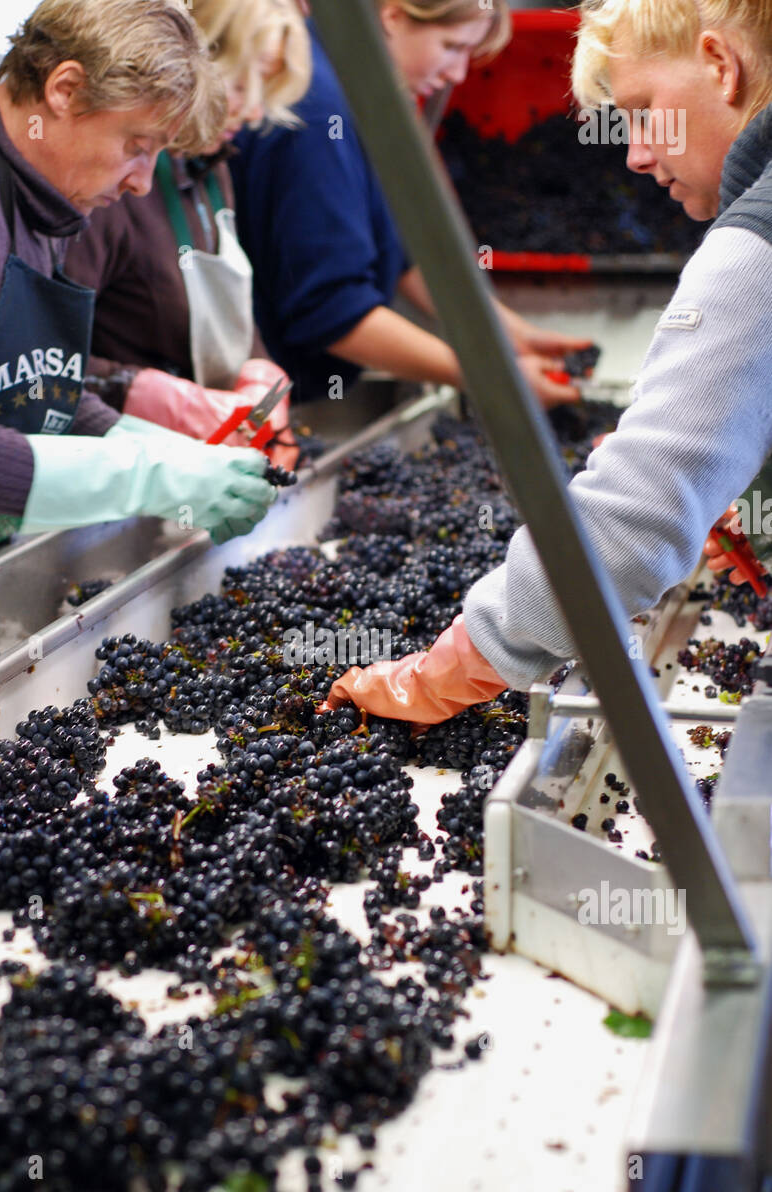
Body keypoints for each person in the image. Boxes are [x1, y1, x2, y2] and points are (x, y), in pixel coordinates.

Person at [324, 0, 772, 722]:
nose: (634, 154)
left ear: (720, 66)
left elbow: (632, 516)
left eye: (641, 111)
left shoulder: (758, 246)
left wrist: (450, 670)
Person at [0, 0, 275, 583]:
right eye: (137, 145)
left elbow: (38, 396)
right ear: (66, 89)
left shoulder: (42, 204)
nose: (142, 182)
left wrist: (179, 455)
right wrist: (146, 475)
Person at [230, 0, 594, 407]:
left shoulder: (354, 89)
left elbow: (398, 251)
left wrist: (508, 335)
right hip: (260, 398)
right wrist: (494, 377)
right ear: (393, 15)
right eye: (451, 47)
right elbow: (331, 311)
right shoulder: (320, 111)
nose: (457, 73)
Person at [65, 0, 312, 468]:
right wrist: (144, 394)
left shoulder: (211, 170)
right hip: (114, 469)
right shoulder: (111, 188)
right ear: (192, 63)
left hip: (202, 464)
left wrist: (258, 372)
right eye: (241, 85)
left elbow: (226, 315)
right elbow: (42, 366)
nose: (255, 109)